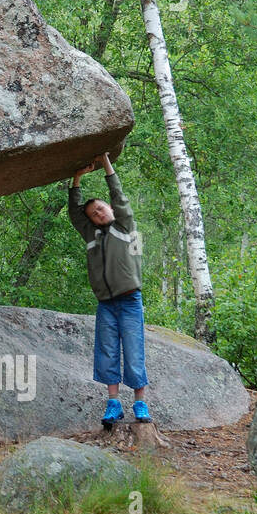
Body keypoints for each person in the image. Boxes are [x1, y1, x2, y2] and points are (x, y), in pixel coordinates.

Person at [68, 151, 149, 426]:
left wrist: (106, 163)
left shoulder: (124, 226)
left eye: (101, 208)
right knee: (107, 351)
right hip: (106, 304)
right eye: (93, 213)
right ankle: (113, 404)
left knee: (134, 350)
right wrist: (77, 178)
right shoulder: (91, 234)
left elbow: (119, 195)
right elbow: (74, 212)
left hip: (129, 301)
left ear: (111, 210)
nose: (98, 213)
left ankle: (140, 404)